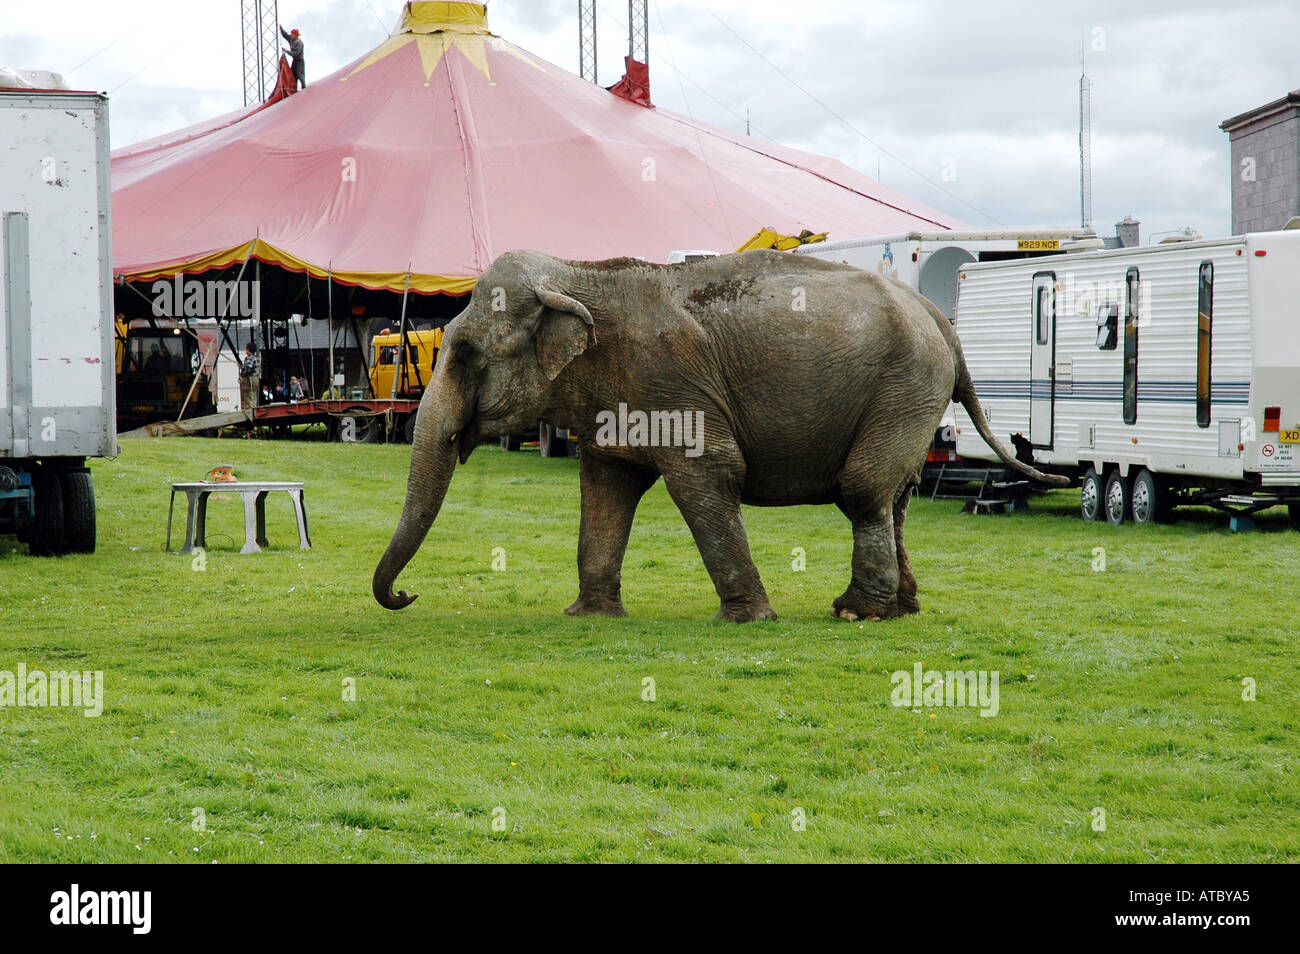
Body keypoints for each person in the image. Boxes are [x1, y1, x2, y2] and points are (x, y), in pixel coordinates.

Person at [240, 342, 261, 411]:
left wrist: (242, 367)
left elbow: (249, 367)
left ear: (248, 350)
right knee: (253, 395)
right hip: (255, 379)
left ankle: (249, 410)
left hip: (250, 379)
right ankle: (254, 408)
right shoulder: (256, 358)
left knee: (247, 395)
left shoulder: (250, 358)